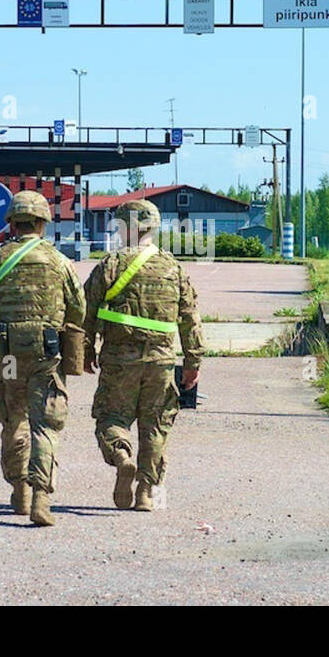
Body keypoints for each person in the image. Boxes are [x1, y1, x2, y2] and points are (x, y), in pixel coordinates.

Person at [0, 191, 86, 526]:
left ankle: (19, 489)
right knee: (46, 423)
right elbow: (79, 307)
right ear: (42, 223)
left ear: (11, 222)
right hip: (45, 354)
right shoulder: (59, 261)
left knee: (14, 417)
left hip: (9, 355)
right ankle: (42, 495)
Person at [82, 199, 203, 511]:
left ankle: (121, 457)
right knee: (155, 426)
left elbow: (85, 313)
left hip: (118, 360)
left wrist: (84, 350)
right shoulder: (174, 268)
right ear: (155, 226)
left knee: (111, 417)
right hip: (161, 362)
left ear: (124, 227)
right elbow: (190, 318)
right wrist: (192, 363)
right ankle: (145, 493)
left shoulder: (110, 264)